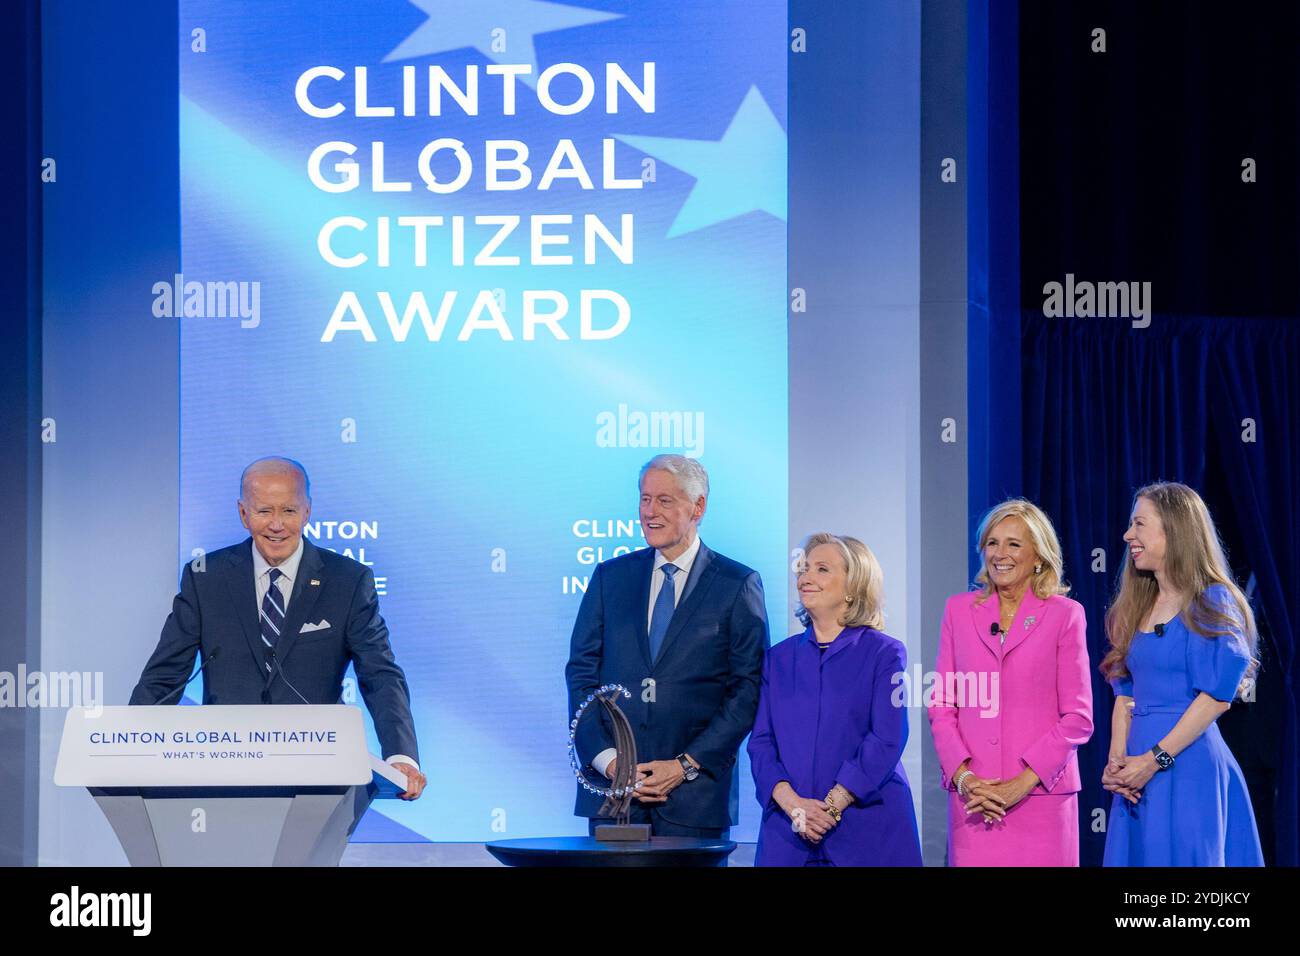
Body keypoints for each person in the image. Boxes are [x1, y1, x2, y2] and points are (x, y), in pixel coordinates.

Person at [130, 457, 425, 800]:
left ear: (307, 511)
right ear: (243, 514)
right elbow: (165, 676)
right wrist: (131, 745)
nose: (276, 525)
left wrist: (401, 755)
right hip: (222, 774)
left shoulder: (348, 580)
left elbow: (380, 674)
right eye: (264, 511)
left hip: (315, 778)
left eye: (288, 511)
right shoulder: (206, 577)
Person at [565, 454, 767, 837]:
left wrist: (685, 765)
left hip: (695, 800)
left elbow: (747, 690)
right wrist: (609, 760)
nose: (650, 512)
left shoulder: (736, 584)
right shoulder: (611, 578)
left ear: (698, 506)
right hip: (614, 798)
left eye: (664, 500)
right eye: (645, 499)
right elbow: (581, 675)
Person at [1101, 482, 1263, 866]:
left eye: (1139, 524)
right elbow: (1125, 693)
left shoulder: (1214, 601)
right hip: (1136, 776)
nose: (1128, 536)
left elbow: (1216, 698)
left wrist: (1153, 760)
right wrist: (1117, 762)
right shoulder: (1136, 604)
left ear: (1173, 530)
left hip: (1188, 766)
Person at [928, 499, 1093, 865]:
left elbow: (1078, 718)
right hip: (975, 800)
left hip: (1041, 799)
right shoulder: (958, 610)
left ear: (1038, 556)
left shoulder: (1065, 615)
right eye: (992, 542)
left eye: (1014, 544)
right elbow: (942, 706)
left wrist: (1022, 783)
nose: (1000, 554)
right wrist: (965, 778)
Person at [747, 533, 921, 866]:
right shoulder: (778, 658)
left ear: (854, 586)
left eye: (822, 569)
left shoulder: (885, 653)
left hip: (866, 834)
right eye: (804, 568)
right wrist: (793, 804)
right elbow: (761, 744)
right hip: (789, 835)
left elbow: (887, 739)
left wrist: (830, 806)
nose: (805, 577)